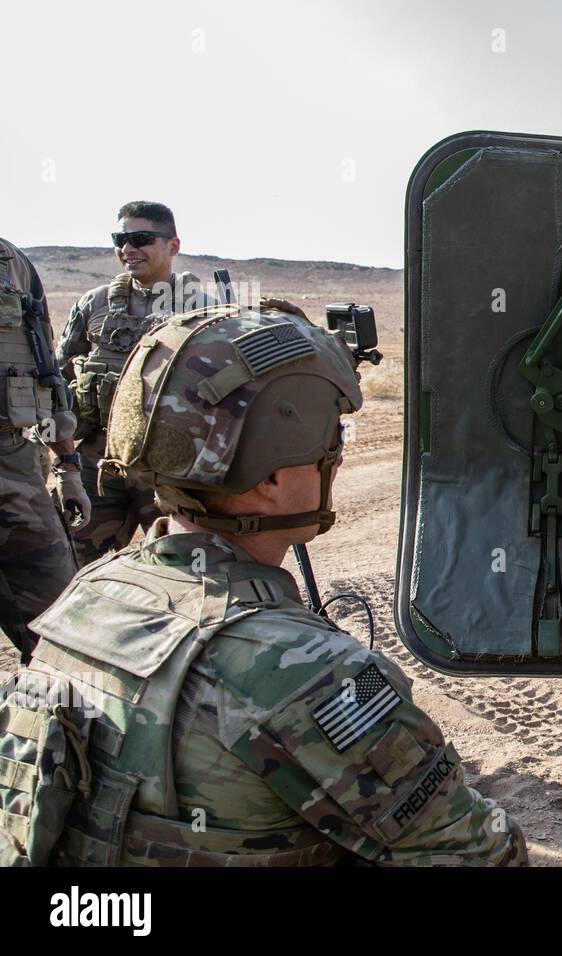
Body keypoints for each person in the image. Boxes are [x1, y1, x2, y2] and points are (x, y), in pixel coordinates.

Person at [0, 300, 526, 866]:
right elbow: (482, 854)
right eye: (331, 441)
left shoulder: (91, 595)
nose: (337, 460)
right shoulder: (309, 667)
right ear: (273, 477)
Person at [56, 200, 212, 564]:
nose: (128, 248)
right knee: (70, 569)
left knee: (188, 572)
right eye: (120, 239)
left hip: (168, 469)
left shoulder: (202, 311)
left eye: (140, 238)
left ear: (173, 246)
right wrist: (64, 454)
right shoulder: (93, 305)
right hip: (98, 464)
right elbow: (57, 374)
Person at [0, 237, 85, 664]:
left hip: (13, 464)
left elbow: (46, 375)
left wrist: (69, 466)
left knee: (65, 633)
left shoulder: (11, 262)